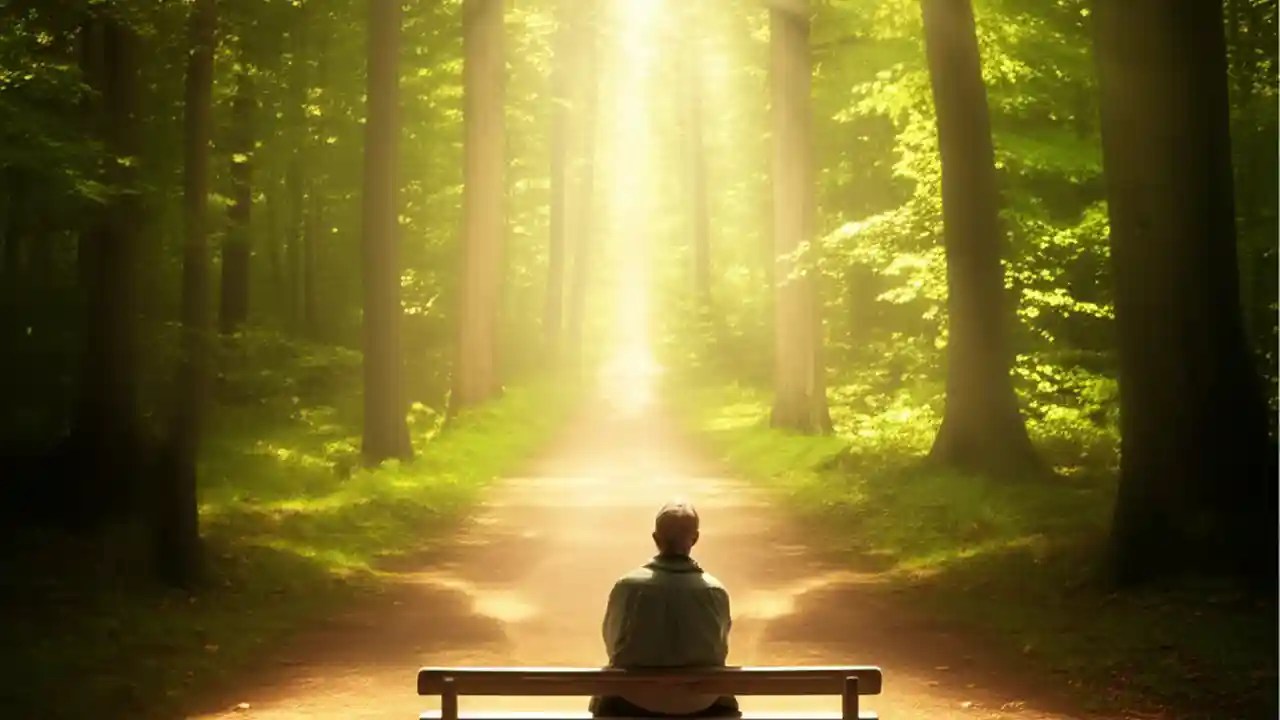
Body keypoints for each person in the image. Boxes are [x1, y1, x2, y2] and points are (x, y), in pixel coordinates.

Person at [589, 500, 740, 718]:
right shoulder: (715, 591)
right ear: (695, 539)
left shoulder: (627, 587)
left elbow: (613, 644)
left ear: (655, 538)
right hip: (699, 704)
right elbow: (718, 650)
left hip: (633, 702)